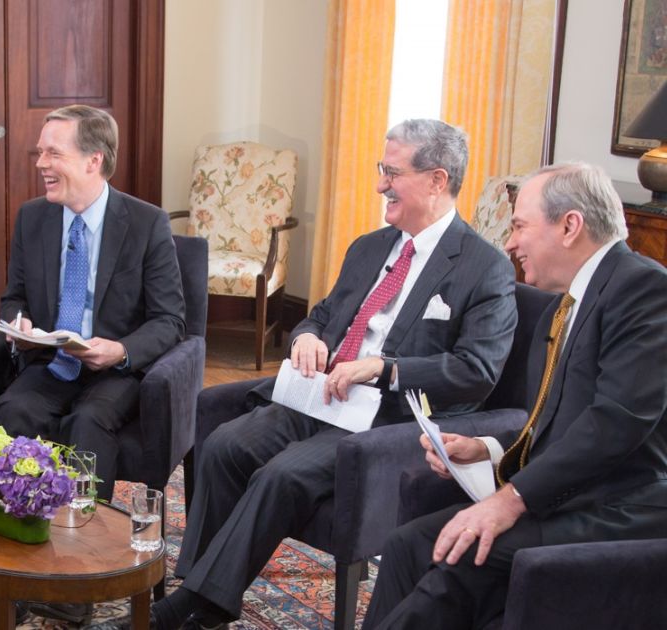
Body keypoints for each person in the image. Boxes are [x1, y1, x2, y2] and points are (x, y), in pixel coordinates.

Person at [106, 119, 519, 630]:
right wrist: (306, 336)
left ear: (437, 180)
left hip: (382, 421)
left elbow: (476, 371)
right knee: (224, 446)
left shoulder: (485, 268)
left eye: (392, 172)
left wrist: (387, 369)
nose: (379, 185)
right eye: (379, 169)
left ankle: (194, 605)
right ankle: (199, 594)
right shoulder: (371, 246)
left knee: (282, 475)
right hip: (317, 396)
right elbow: (322, 314)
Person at [363, 163, 667, 629]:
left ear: (569, 226)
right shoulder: (558, 311)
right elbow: (553, 426)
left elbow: (614, 424)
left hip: (617, 507)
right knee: (407, 544)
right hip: (568, 496)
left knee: (464, 556)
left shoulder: (644, 289)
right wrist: (486, 451)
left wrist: (507, 501)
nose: (510, 243)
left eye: (521, 225)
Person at [0, 104, 185, 503]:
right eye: (41, 152)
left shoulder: (148, 224)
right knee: (12, 410)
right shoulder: (32, 218)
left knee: (89, 422)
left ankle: (86, 541)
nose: (41, 163)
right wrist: (19, 325)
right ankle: (17, 525)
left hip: (114, 373)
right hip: (51, 363)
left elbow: (169, 320)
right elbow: (15, 297)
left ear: (93, 160)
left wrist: (121, 350)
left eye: (53, 154)